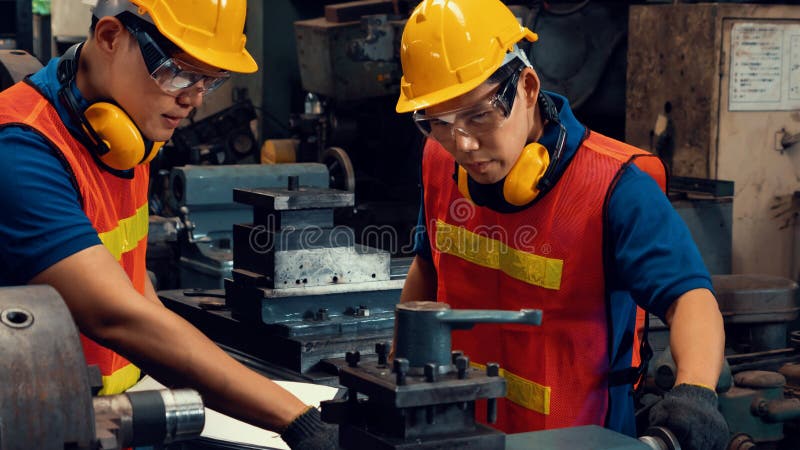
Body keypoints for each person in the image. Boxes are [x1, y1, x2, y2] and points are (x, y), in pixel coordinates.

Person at [393, 1, 729, 449]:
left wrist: (694, 395)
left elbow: (689, 299)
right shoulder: (439, 161)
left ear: (528, 87)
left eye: (479, 115)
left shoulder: (615, 187)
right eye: (437, 122)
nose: (464, 144)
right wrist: (396, 373)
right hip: (453, 433)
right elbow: (428, 265)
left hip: (582, 439)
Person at [0, 1, 334, 448]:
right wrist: (297, 420)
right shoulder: (19, 148)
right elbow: (117, 315)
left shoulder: (125, 138)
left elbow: (136, 294)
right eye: (178, 71)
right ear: (110, 37)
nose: (194, 98)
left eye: (209, 79)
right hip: (35, 430)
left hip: (110, 419)